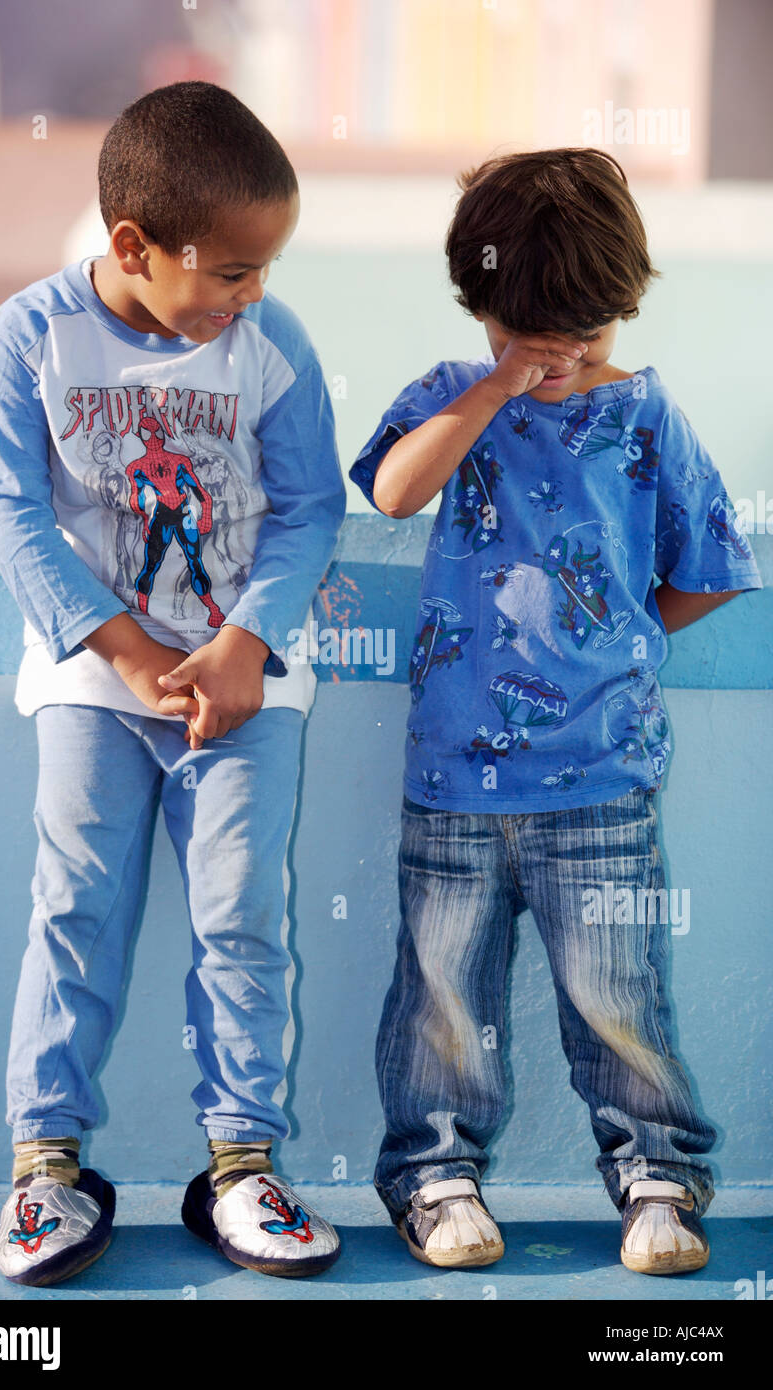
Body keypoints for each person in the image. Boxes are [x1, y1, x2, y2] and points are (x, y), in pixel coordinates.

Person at [349, 148, 762, 1276]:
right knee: (440, 993)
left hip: (603, 780)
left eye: (585, 334)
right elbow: (391, 489)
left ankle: (658, 1179)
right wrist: (492, 388)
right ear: (480, 309)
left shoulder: (645, 416)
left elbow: (716, 562)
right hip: (453, 781)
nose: (561, 360)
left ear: (624, 302)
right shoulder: (451, 394)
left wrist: (625, 636)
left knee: (618, 996)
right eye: (529, 335)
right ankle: (435, 1177)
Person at [0, 81, 346, 1284]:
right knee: (76, 913)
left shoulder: (272, 345)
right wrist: (126, 650)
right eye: (231, 272)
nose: (253, 294)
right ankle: (47, 1170)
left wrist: (244, 644)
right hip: (95, 687)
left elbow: (308, 509)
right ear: (133, 246)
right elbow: (10, 514)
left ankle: (241, 1166)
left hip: (244, 689)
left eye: (265, 270)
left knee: (241, 919)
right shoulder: (29, 338)